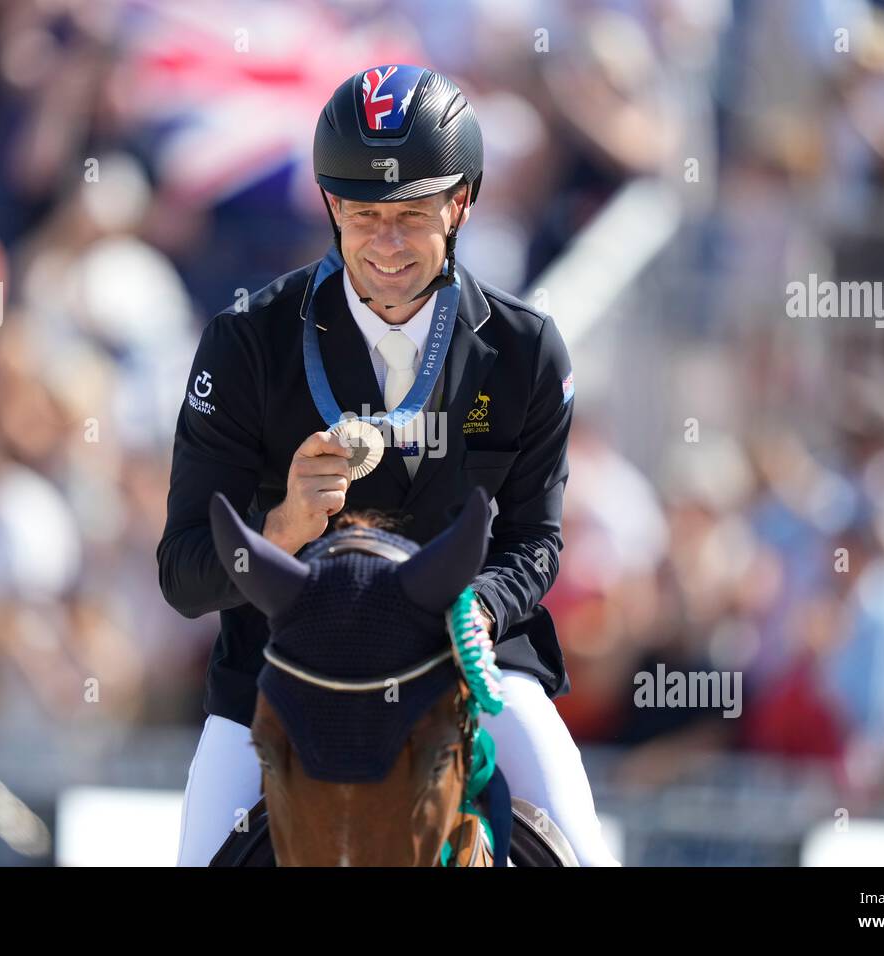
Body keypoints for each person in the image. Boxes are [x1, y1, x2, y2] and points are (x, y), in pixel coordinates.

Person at [158, 64, 615, 866]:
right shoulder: (244, 344)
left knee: (582, 844)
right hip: (286, 674)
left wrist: (477, 611)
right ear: (332, 206)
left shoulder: (524, 351)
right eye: (365, 215)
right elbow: (184, 570)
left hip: (462, 672)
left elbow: (535, 543)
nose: (389, 245)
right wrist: (280, 529)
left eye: (413, 215)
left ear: (461, 203)